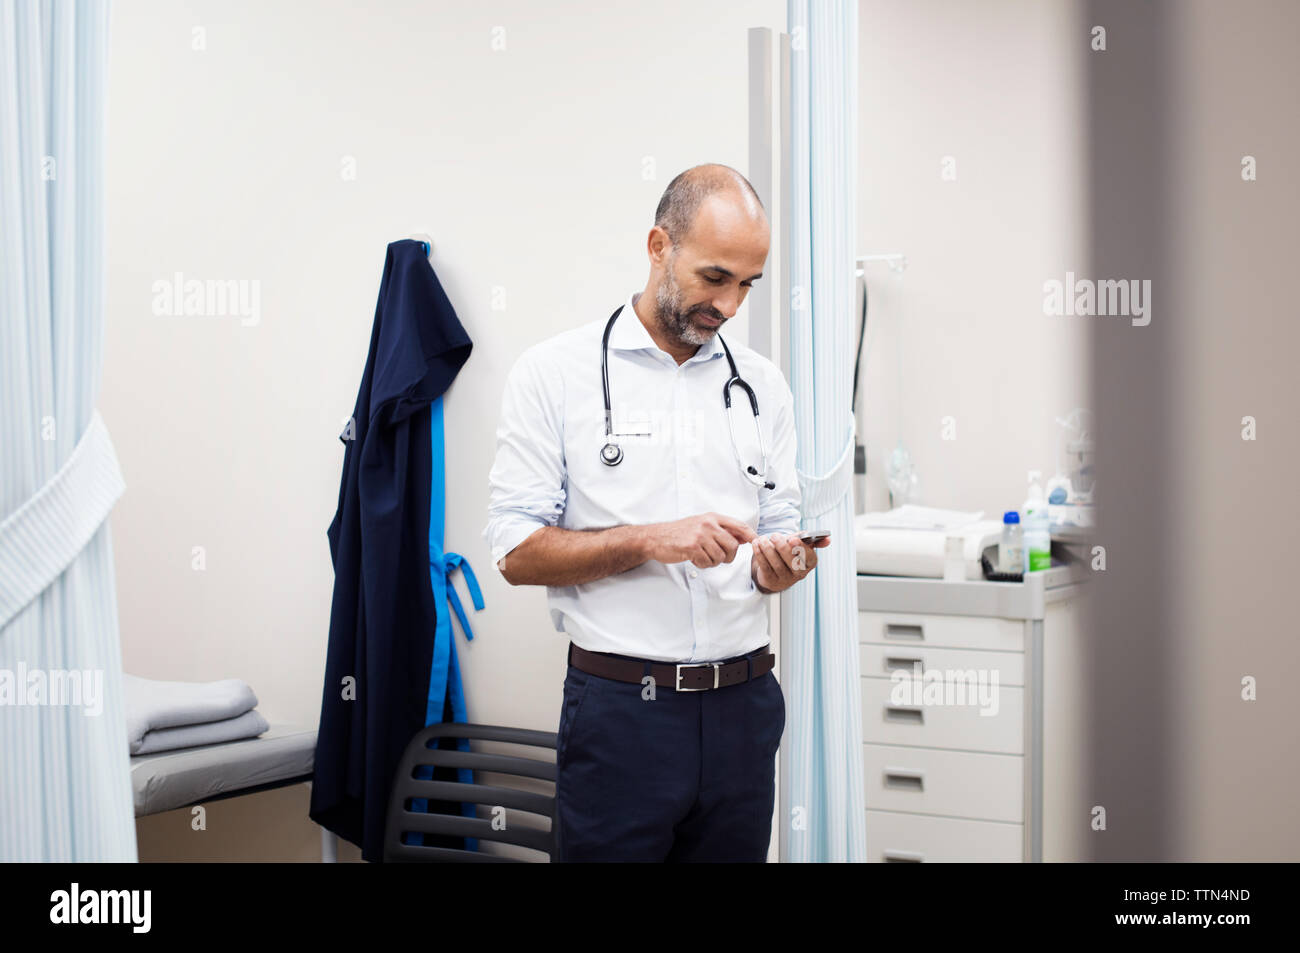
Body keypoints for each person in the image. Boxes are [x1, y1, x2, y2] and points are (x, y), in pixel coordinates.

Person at [482, 163, 829, 862]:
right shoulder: (555, 374)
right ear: (658, 246)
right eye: (714, 277)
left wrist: (780, 564)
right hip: (622, 717)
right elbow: (516, 552)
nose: (730, 305)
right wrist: (649, 539)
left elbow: (778, 522)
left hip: (743, 709)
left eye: (747, 285)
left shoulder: (762, 385)